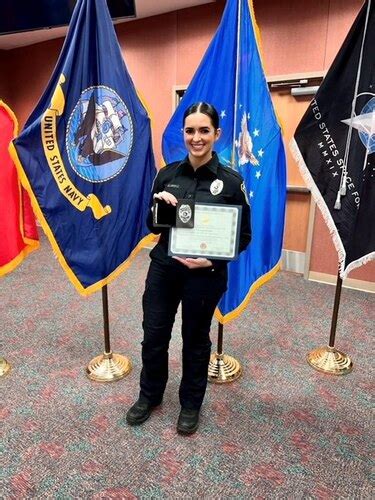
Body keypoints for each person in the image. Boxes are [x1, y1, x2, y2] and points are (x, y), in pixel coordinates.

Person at [126, 102, 251, 434]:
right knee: (153, 335)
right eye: (190, 131)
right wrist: (159, 208)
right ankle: (149, 395)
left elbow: (244, 235)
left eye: (204, 131)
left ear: (216, 134)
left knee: (195, 339)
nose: (197, 138)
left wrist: (214, 259)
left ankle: (190, 404)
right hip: (165, 269)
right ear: (183, 134)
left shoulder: (231, 181)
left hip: (206, 275)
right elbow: (153, 228)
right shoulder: (166, 175)